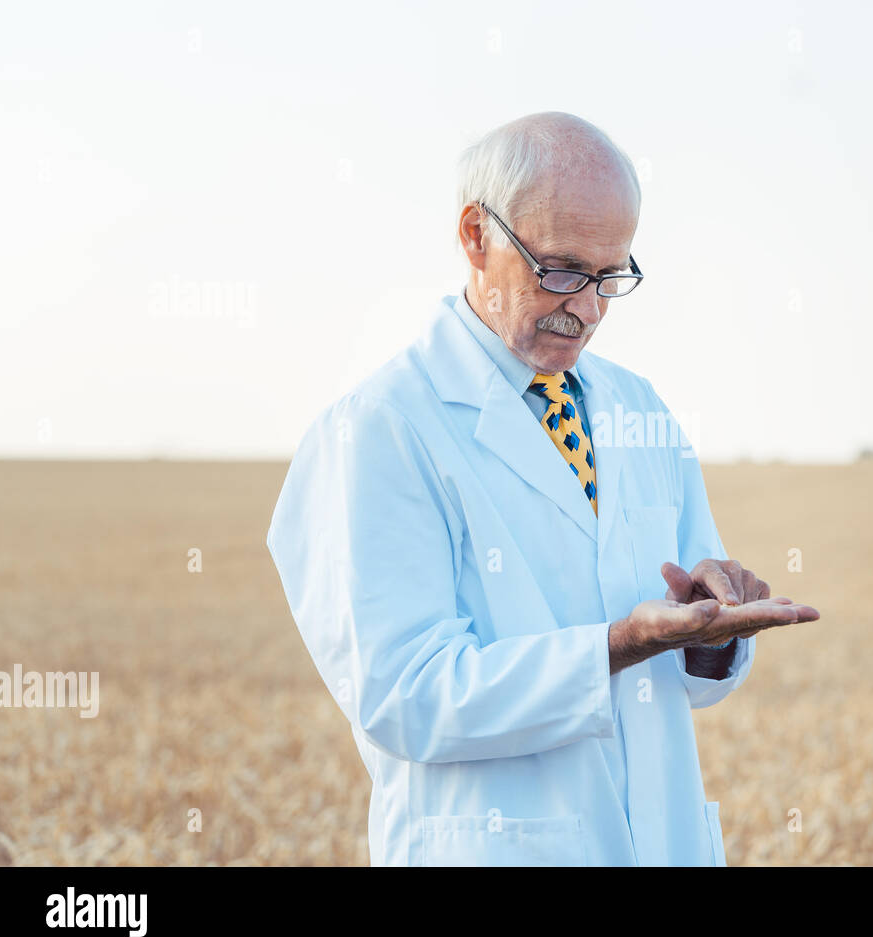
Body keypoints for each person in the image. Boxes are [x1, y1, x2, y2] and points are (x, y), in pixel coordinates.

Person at [267, 111, 819, 866]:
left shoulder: (638, 408)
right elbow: (407, 697)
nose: (587, 307)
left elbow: (681, 677)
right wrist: (619, 644)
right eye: (560, 269)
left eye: (610, 276)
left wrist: (712, 634)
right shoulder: (380, 428)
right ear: (475, 235)